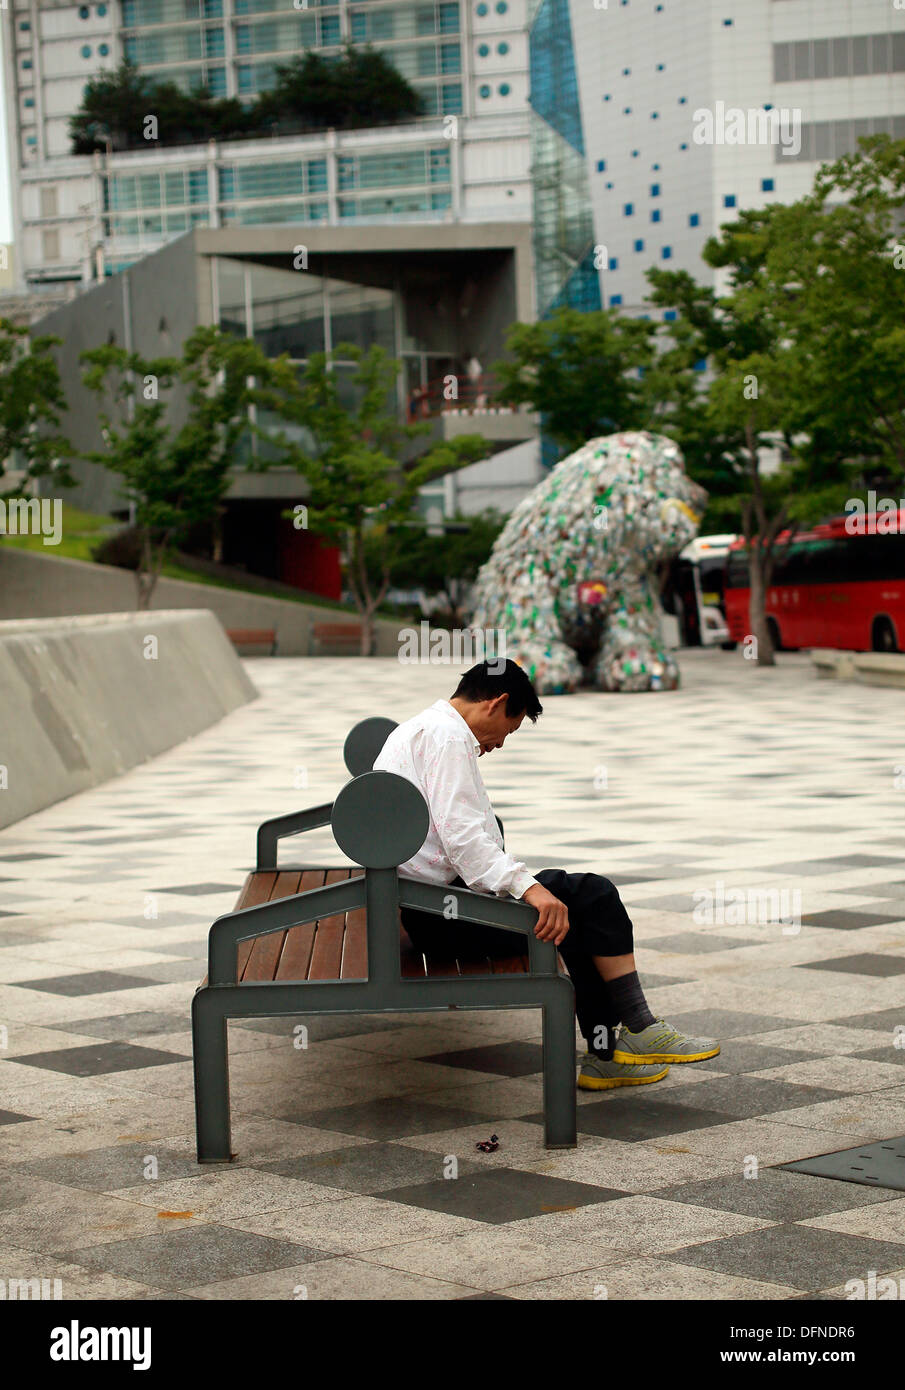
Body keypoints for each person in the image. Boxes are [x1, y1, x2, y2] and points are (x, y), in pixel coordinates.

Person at [373, 658, 720, 1090]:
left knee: (571, 904)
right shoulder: (447, 738)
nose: (500, 744)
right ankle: (632, 1031)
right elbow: (462, 839)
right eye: (510, 729)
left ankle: (610, 1052)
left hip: (428, 906)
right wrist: (528, 888)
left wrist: (530, 888)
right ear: (497, 703)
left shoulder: (423, 728)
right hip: (443, 919)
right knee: (589, 896)